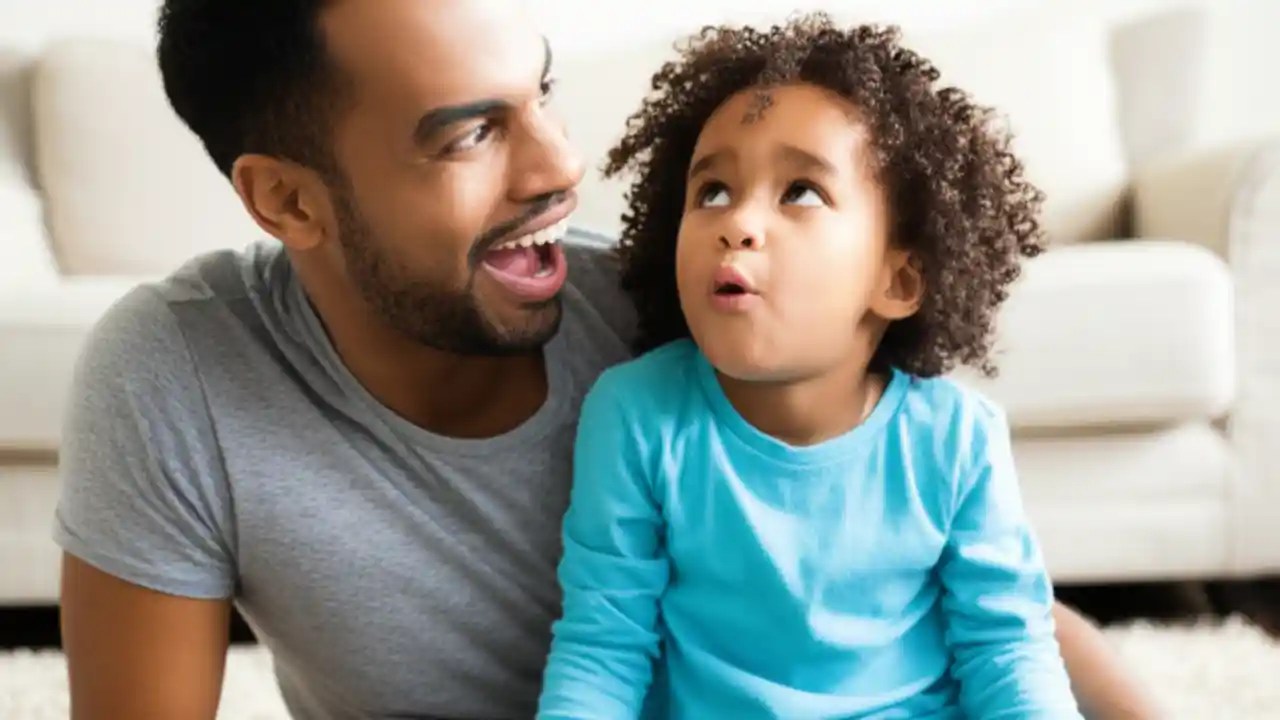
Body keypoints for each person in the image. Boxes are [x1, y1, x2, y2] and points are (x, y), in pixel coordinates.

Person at [52, 1, 1156, 719]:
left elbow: (945, 598)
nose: (561, 163)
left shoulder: (680, 308)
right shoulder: (176, 377)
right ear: (287, 198)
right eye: (469, 134)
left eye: (542, 93)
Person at [536, 16, 1081, 719]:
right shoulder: (636, 413)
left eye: (800, 192)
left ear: (901, 281)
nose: (737, 222)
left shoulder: (956, 440)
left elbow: (1006, 650)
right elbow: (603, 644)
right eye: (712, 192)